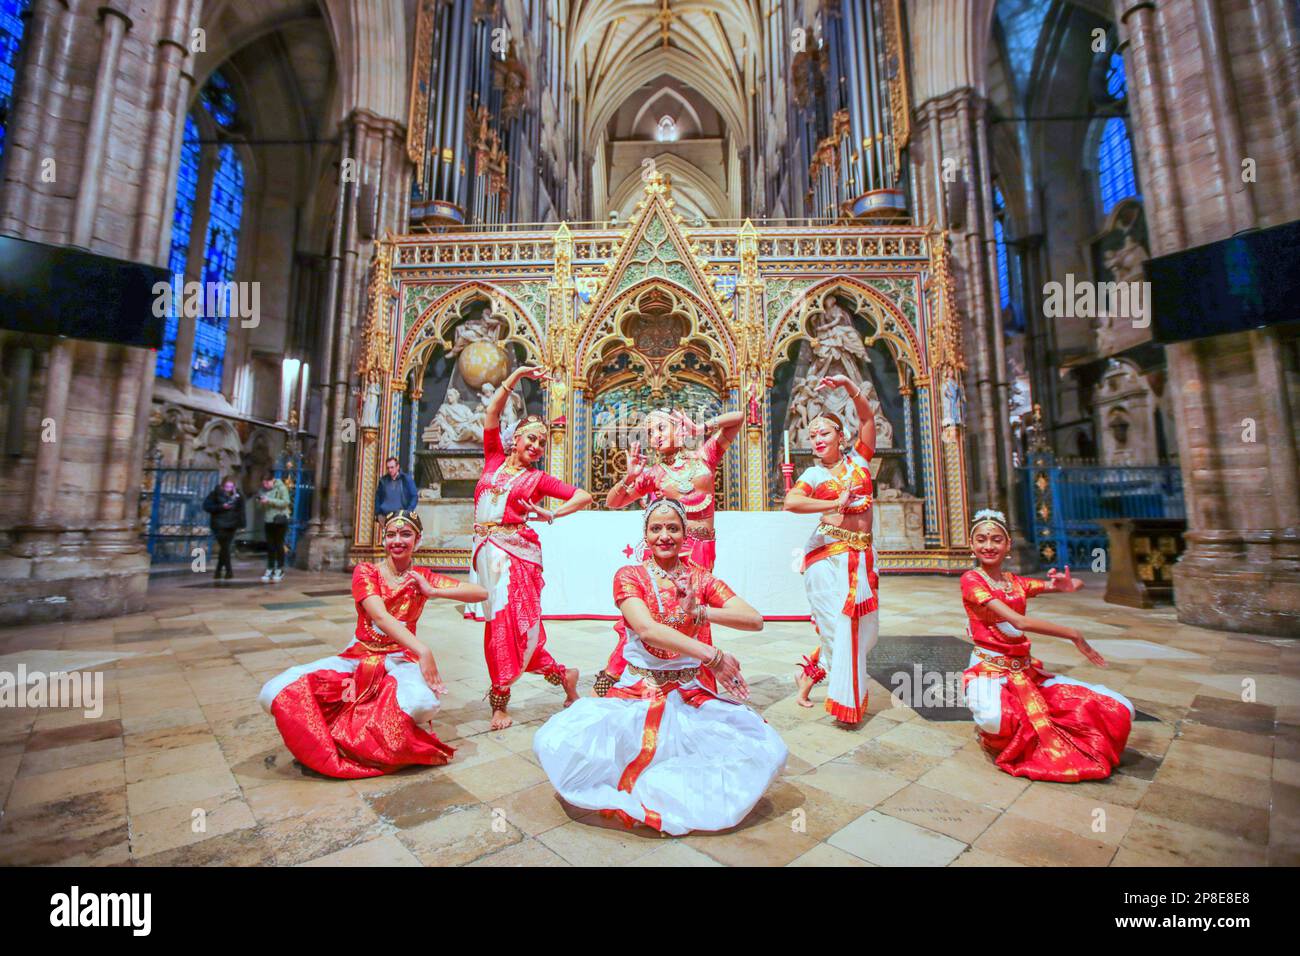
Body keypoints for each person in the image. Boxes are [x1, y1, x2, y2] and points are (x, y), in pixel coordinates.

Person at [533, 499, 787, 835]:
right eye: (656, 528)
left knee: (767, 747)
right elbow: (647, 629)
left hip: (687, 693)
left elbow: (754, 620)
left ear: (686, 535)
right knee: (562, 743)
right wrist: (712, 656)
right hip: (637, 692)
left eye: (673, 528)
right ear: (645, 534)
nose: (664, 535)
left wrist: (701, 612)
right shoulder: (630, 575)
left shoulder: (702, 579)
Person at [257, 510, 487, 778]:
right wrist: (423, 650)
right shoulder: (366, 572)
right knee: (274, 692)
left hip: (399, 660)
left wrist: (433, 590)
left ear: (418, 540)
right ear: (383, 539)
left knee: (423, 703)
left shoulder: (421, 577)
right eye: (391, 535)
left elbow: (480, 593)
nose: (397, 541)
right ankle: (352, 729)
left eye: (405, 534)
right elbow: (379, 615)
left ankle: (365, 723)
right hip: (357, 657)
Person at [960, 509, 1134, 781]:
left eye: (996, 540)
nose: (988, 546)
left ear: (1008, 546)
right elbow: (1020, 622)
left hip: (1024, 670)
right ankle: (988, 729)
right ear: (972, 546)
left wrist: (1069, 584)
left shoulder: (1015, 582)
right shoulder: (971, 580)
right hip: (988, 670)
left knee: (1118, 706)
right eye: (981, 539)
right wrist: (1073, 633)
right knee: (995, 719)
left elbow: (1067, 585)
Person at [473, 364, 593, 730]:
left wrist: (548, 514)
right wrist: (517, 376)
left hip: (516, 554)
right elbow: (492, 412)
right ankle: (561, 676)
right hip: (485, 549)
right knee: (503, 624)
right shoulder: (493, 457)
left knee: (506, 626)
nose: (537, 446)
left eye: (542, 442)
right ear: (516, 438)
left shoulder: (538, 478)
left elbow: (584, 496)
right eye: (531, 439)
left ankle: (500, 702)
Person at [594, 405, 744, 694]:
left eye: (661, 428)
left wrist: (702, 427)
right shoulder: (653, 473)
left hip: (702, 551)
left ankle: (696, 683)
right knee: (656, 614)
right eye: (649, 432)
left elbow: (738, 419)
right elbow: (613, 502)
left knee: (695, 615)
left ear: (679, 428)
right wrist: (628, 477)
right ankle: (616, 676)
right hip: (670, 553)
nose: (655, 436)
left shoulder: (706, 456)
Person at [783, 374, 879, 724]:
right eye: (812, 436)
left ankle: (809, 673)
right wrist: (829, 503)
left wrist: (849, 386)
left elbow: (868, 418)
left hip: (863, 555)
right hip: (827, 557)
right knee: (841, 632)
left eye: (824, 433)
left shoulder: (861, 461)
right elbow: (791, 502)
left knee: (866, 635)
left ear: (842, 436)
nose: (817, 439)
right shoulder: (813, 475)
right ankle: (847, 706)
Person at [201, 477, 244, 583]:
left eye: (231, 487)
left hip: (232, 524)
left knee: (225, 547)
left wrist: (242, 523)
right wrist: (221, 507)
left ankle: (218, 571)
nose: (228, 489)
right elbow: (206, 506)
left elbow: (241, 510)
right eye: (226, 487)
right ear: (222, 486)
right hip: (219, 524)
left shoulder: (237, 495)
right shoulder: (215, 494)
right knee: (225, 547)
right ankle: (229, 571)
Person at [256, 472, 292, 582]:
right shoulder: (263, 490)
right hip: (268, 520)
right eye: (264, 484)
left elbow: (286, 502)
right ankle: (270, 567)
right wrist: (261, 502)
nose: (265, 486)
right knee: (270, 545)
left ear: (272, 480)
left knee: (278, 544)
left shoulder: (281, 488)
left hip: (279, 520)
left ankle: (279, 568)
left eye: (267, 483)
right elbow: (260, 507)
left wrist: (270, 500)